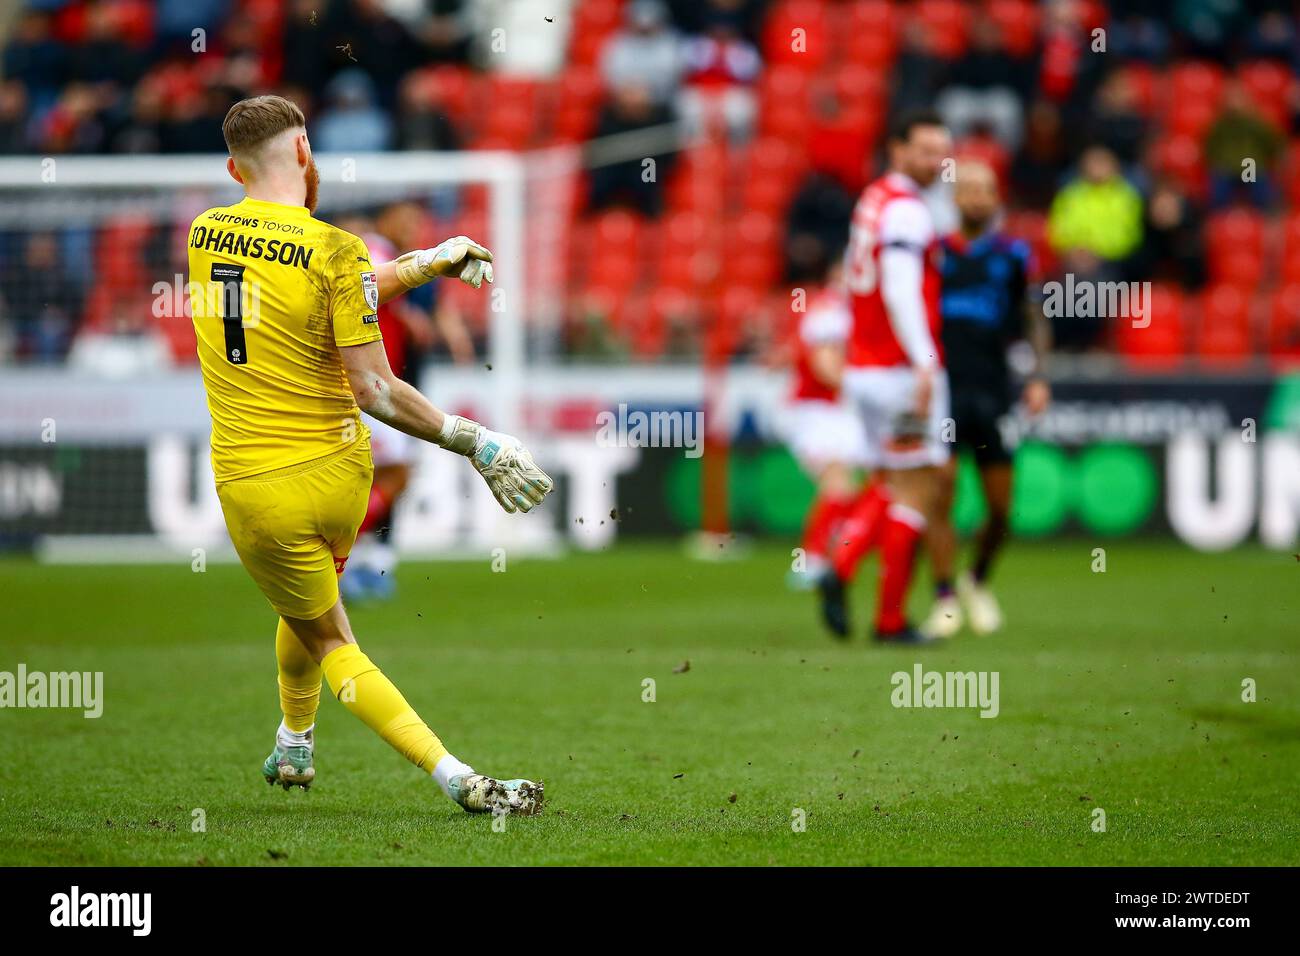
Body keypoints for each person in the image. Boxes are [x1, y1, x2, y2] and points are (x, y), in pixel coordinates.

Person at [186, 95, 552, 815]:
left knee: (330, 637)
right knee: (309, 607)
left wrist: (419, 265)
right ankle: (294, 737)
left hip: (260, 486)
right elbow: (372, 383)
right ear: (302, 152)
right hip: (343, 478)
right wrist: (479, 439)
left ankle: (457, 777)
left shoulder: (205, 235)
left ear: (234, 168)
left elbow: (355, 356)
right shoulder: (336, 249)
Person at [818, 110, 952, 645]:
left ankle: (842, 564)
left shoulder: (872, 200)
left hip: (866, 367)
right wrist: (923, 360)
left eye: (942, 149)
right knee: (917, 491)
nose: (936, 160)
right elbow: (898, 288)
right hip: (899, 369)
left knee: (890, 481)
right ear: (897, 149)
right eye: (924, 149)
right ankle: (888, 619)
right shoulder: (906, 211)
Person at [920, 160, 1050, 639]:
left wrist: (1037, 376)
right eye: (968, 189)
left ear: (997, 200)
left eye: (986, 190)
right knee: (941, 496)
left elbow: (1034, 316)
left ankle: (975, 581)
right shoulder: (933, 254)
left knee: (1000, 509)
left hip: (994, 391)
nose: (976, 197)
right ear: (954, 198)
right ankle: (944, 598)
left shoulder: (1014, 254)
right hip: (943, 392)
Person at [782, 259, 867, 589]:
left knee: (846, 488)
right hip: (818, 412)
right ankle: (811, 560)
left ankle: (826, 557)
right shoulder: (829, 314)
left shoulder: (848, 314)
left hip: (835, 411)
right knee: (837, 481)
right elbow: (825, 366)